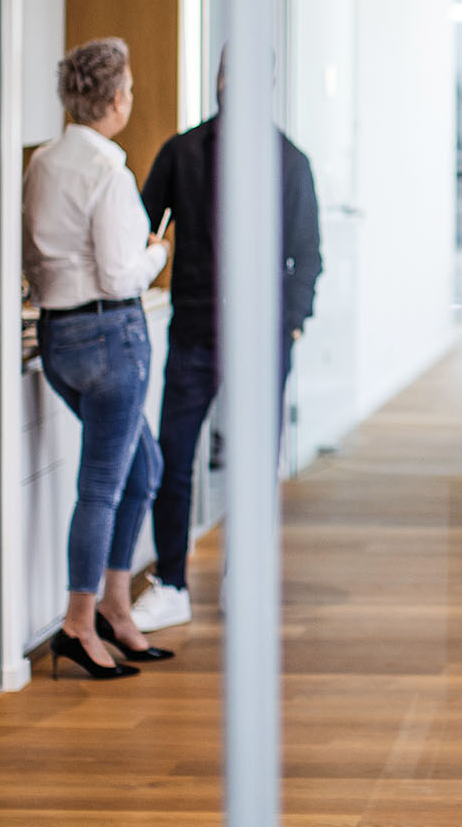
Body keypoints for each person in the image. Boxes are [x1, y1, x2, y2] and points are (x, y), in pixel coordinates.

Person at [131, 52, 323, 633]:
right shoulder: (182, 152)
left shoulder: (289, 162)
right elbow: (139, 228)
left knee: (255, 464)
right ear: (217, 81)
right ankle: (171, 582)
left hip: (263, 339)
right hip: (195, 331)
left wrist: (291, 323)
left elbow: (307, 256)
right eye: (226, 75)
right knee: (174, 458)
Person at [21, 37, 176, 680]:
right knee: (104, 486)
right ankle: (79, 623)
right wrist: (158, 252)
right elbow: (118, 275)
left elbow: (36, 257)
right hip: (110, 336)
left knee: (144, 468)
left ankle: (114, 606)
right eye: (130, 90)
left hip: (59, 335)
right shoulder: (108, 170)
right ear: (115, 101)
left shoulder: (42, 162)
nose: (130, 99)